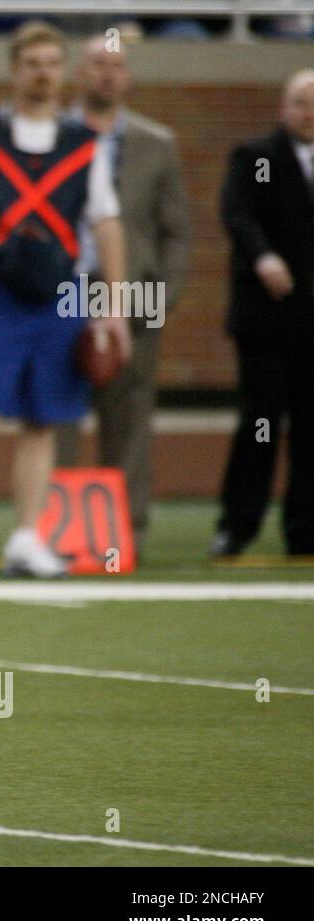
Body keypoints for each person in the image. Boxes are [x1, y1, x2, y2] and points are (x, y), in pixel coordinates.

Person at [0, 21, 131, 579]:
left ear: (63, 73)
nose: (43, 74)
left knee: (46, 422)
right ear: (15, 70)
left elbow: (107, 224)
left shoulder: (83, 144)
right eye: (32, 64)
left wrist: (113, 307)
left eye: (51, 63)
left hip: (63, 293)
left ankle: (25, 537)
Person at [55, 35, 191, 552]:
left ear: (128, 78)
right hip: (64, 288)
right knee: (57, 410)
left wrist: (167, 293)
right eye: (97, 64)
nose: (107, 75)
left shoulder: (158, 143)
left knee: (130, 413)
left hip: (135, 293)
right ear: (79, 74)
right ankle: (53, 525)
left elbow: (176, 230)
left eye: (116, 66)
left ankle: (125, 529)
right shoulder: (53, 137)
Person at [212, 70, 314, 557]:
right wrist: (263, 256)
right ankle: (237, 526)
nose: (309, 112)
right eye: (300, 102)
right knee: (260, 423)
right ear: (283, 107)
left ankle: (305, 530)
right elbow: (239, 214)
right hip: (268, 322)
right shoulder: (260, 159)